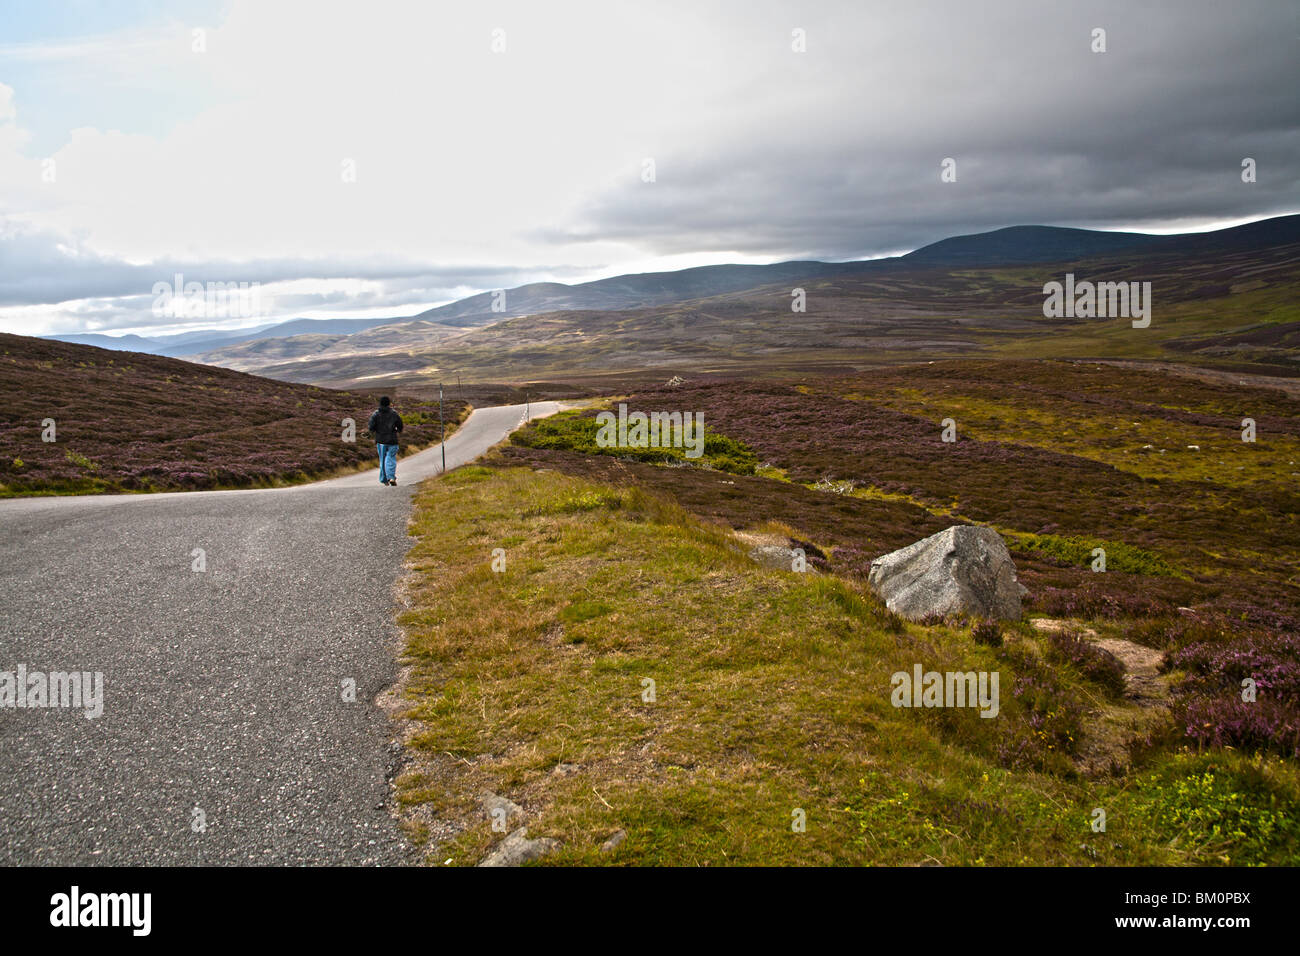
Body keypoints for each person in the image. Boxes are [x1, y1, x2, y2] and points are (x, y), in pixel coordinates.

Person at [367, 396, 404, 486]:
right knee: (390, 458)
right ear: (389, 404)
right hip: (392, 440)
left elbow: (371, 427)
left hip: (380, 441)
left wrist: (375, 431)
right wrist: (397, 430)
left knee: (383, 460)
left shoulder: (375, 414)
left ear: (380, 403)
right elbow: (400, 425)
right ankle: (391, 477)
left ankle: (384, 479)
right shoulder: (394, 413)